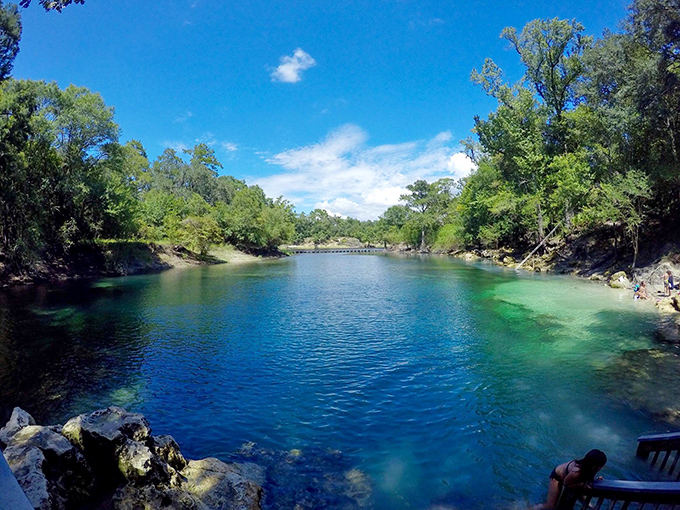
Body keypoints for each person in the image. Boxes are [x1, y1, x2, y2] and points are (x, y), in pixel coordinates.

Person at [535, 449, 607, 510]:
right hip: (557, 477)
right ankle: (530, 508)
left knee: (586, 501)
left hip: (572, 478)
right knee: (551, 506)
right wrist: (582, 484)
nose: (602, 468)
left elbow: (586, 477)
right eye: (601, 466)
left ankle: (591, 506)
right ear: (594, 467)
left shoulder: (589, 468)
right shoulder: (576, 471)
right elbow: (566, 484)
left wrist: (596, 480)